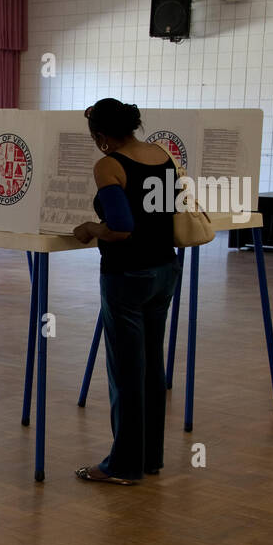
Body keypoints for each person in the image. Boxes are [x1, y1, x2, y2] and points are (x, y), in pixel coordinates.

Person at [72, 98, 183, 485]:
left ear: (101, 136)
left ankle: (122, 464)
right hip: (165, 270)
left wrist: (90, 227)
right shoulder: (161, 155)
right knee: (152, 367)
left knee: (125, 372)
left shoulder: (109, 165)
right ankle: (150, 456)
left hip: (127, 275)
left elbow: (120, 226)